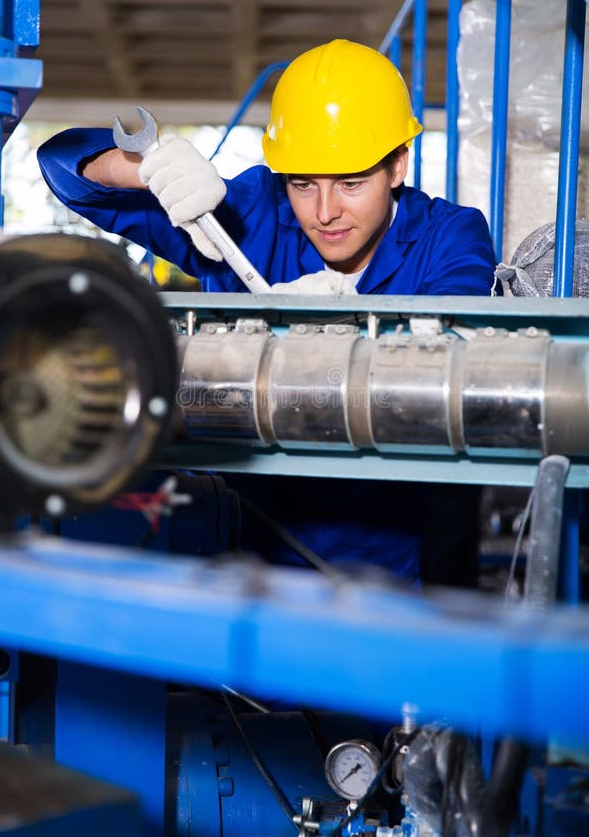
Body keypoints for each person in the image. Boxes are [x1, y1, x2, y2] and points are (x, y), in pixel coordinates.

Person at [38, 39, 497, 584]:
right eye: (303, 183)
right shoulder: (245, 213)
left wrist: (336, 330)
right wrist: (142, 170)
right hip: (241, 545)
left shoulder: (449, 237)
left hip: (389, 559)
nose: (324, 213)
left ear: (398, 165)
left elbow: (449, 361)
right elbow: (61, 164)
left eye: (351, 183)